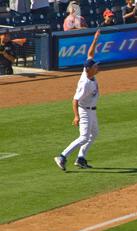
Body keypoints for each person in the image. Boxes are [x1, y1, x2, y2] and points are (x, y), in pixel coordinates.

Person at [54, 30, 101, 171]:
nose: (97, 67)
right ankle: (62, 156)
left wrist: (95, 39)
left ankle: (81, 158)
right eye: (95, 66)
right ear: (89, 70)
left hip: (92, 110)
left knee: (94, 134)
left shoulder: (87, 71)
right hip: (84, 110)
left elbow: (90, 54)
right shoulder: (85, 84)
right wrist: (76, 116)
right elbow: (74, 100)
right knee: (84, 137)